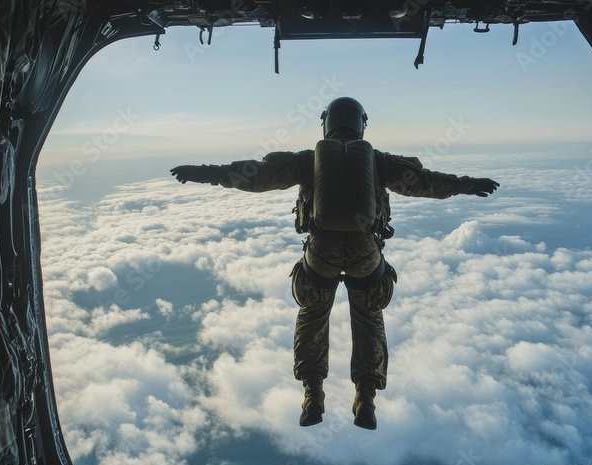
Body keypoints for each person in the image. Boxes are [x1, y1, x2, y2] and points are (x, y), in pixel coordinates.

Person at [171, 97, 498, 430]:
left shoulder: (308, 161)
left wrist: (205, 174)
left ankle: (313, 394)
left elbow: (254, 177)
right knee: (369, 313)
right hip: (364, 250)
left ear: (327, 124)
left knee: (313, 313)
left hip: (321, 251)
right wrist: (468, 184)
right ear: (361, 125)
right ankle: (365, 399)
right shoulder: (379, 161)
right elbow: (426, 183)